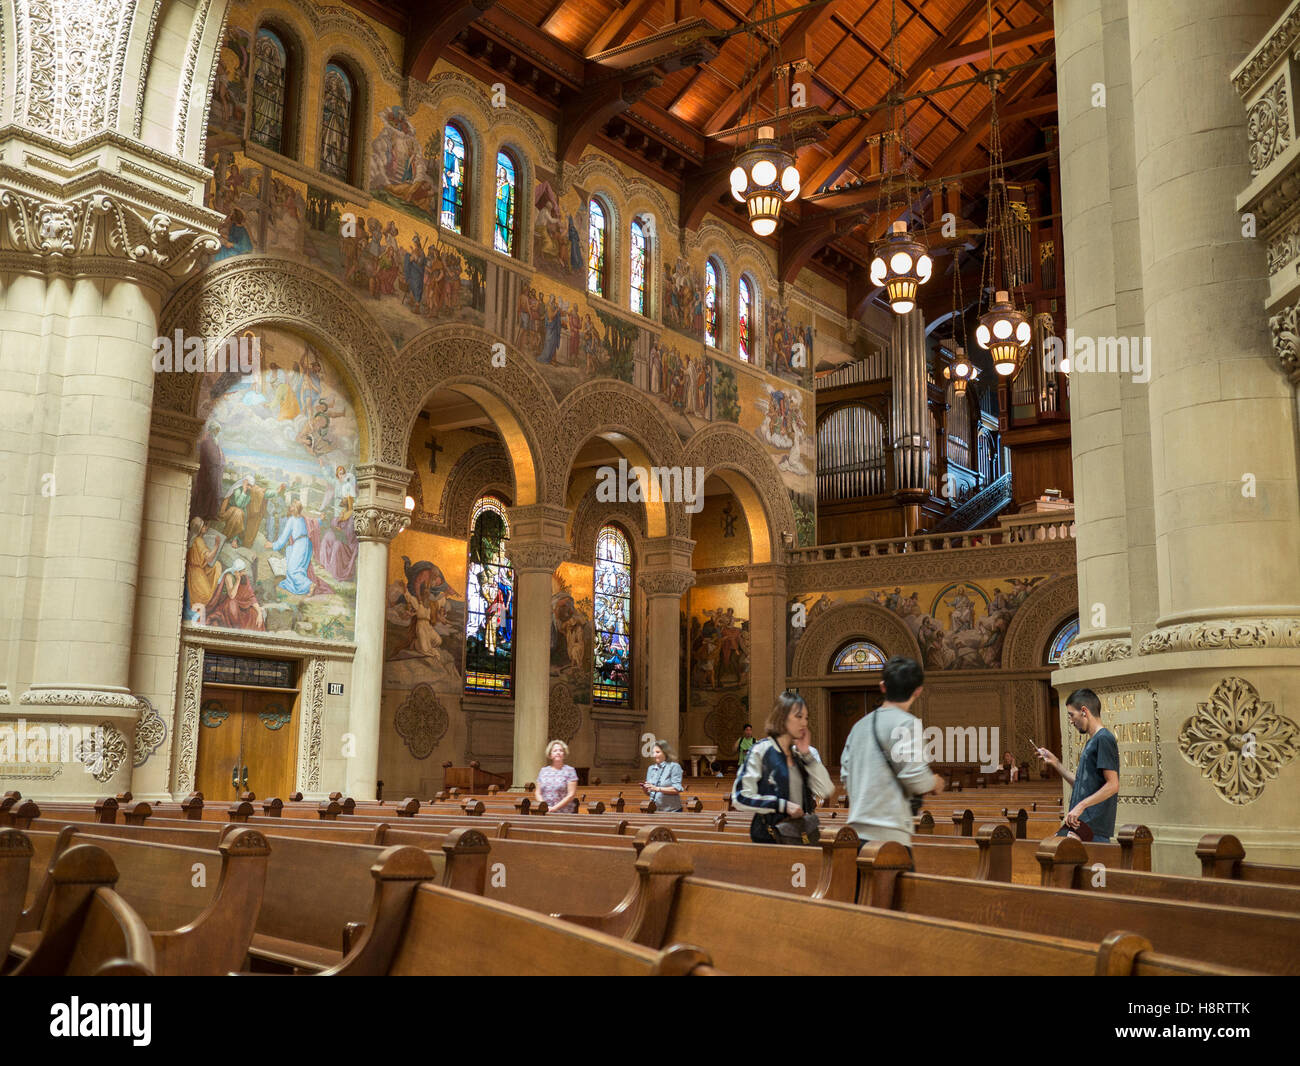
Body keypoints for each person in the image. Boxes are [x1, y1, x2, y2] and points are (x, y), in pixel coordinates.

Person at [840, 656, 944, 850]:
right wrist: (934, 782)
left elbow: (845, 776)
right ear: (918, 691)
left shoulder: (859, 727)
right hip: (890, 836)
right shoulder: (907, 724)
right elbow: (914, 777)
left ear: (883, 687)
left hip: (855, 834)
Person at [733, 692, 833, 843]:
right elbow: (740, 796)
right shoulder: (761, 750)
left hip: (800, 835)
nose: (804, 723)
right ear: (782, 717)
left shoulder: (799, 755)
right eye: (799, 716)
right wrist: (781, 805)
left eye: (806, 718)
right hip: (769, 836)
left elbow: (825, 790)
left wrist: (807, 755)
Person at [1037, 689, 1120, 843]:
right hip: (1080, 824)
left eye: (1071, 714)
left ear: (1084, 711)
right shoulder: (1092, 741)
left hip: (1092, 826)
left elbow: (1113, 785)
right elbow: (1082, 785)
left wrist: (1081, 806)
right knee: (1050, 850)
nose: (1070, 720)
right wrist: (1056, 763)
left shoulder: (1104, 738)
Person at [535, 739, 578, 814]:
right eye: (555, 751)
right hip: (545, 811)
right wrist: (545, 807)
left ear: (564, 754)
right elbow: (538, 793)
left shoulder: (570, 771)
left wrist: (554, 808)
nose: (558, 753)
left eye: (560, 750)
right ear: (550, 754)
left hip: (564, 812)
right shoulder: (543, 771)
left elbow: (571, 794)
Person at [642, 740, 683, 812]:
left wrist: (657, 788)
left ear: (665, 753)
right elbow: (650, 792)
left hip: (672, 810)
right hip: (654, 809)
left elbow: (677, 789)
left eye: (657, 752)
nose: (654, 755)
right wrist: (645, 789)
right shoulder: (651, 768)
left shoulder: (674, 767)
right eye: (653, 752)